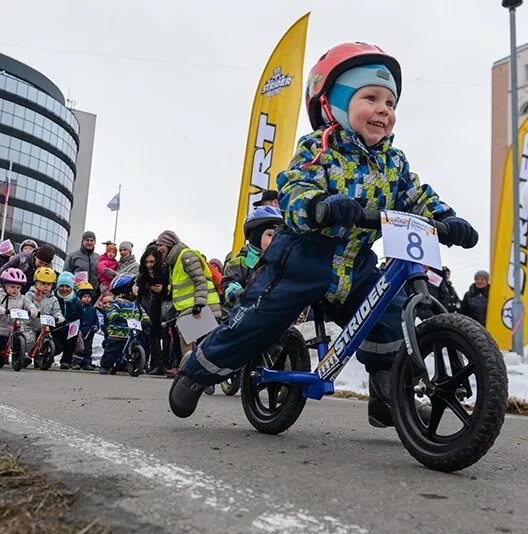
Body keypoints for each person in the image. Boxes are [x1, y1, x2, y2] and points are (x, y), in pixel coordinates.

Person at [168, 42, 477, 420]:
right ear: (332, 104)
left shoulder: (394, 162)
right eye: (371, 97)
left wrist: (447, 219)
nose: (384, 109)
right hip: (303, 257)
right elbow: (295, 186)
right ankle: (196, 372)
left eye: (391, 103)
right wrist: (319, 205)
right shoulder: (320, 147)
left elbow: (416, 195)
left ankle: (388, 396)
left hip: (356, 265)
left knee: (389, 319)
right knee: (256, 320)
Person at [155, 230, 222, 356]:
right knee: (189, 339)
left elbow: (200, 281)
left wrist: (199, 305)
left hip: (203, 306)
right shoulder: (175, 261)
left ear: (169, 244)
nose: (159, 249)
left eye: (161, 245)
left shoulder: (186, 256)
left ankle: (187, 370)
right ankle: (190, 369)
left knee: (188, 339)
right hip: (194, 307)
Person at [222, 206, 283, 313]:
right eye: (269, 235)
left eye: (278, 236)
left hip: (270, 314)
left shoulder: (279, 263)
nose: (274, 240)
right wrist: (236, 292)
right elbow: (229, 283)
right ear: (256, 237)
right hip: (240, 314)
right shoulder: (241, 262)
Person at [0, 267, 37, 362]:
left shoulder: (22, 298)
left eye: (18, 287)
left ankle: (21, 355)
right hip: (0, 328)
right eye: (12, 287)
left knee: (21, 342)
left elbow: (28, 303)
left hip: (16, 328)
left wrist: (32, 309)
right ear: (4, 285)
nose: (15, 290)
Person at [100, 273, 148, 374]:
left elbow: (142, 313)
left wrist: (146, 320)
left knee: (133, 350)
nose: (138, 288)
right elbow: (110, 310)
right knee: (111, 351)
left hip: (131, 334)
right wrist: (115, 316)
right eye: (135, 285)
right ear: (126, 288)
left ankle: (135, 366)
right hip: (117, 334)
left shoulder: (136, 305)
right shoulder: (118, 302)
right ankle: (105, 366)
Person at [135, 244, 171, 375]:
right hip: (149, 307)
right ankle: (155, 364)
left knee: (166, 337)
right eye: (146, 262)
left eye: (151, 262)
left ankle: (165, 364)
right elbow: (138, 288)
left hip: (164, 307)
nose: (149, 265)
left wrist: (163, 290)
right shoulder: (143, 274)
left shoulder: (164, 271)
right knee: (152, 334)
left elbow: (171, 289)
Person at [24, 267, 64, 366]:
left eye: (48, 284)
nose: (46, 287)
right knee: (30, 341)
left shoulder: (53, 299)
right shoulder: (30, 295)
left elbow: (56, 310)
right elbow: (26, 304)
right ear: (36, 283)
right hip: (30, 325)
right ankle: (24, 356)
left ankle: (41, 358)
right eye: (43, 284)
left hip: (44, 326)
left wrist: (58, 316)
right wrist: (31, 310)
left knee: (46, 342)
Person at [54, 271, 82, 370]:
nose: (64, 289)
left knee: (71, 340)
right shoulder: (53, 298)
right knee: (55, 345)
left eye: (67, 286)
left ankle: (66, 361)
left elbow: (79, 317)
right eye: (62, 286)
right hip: (55, 326)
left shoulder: (77, 302)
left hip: (70, 327)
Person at [72, 282, 97, 370]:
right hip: (79, 331)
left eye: (89, 297)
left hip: (89, 332)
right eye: (85, 297)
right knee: (78, 348)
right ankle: (76, 362)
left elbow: (95, 320)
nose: (87, 299)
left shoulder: (92, 309)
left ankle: (87, 363)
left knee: (88, 349)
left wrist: (95, 326)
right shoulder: (77, 308)